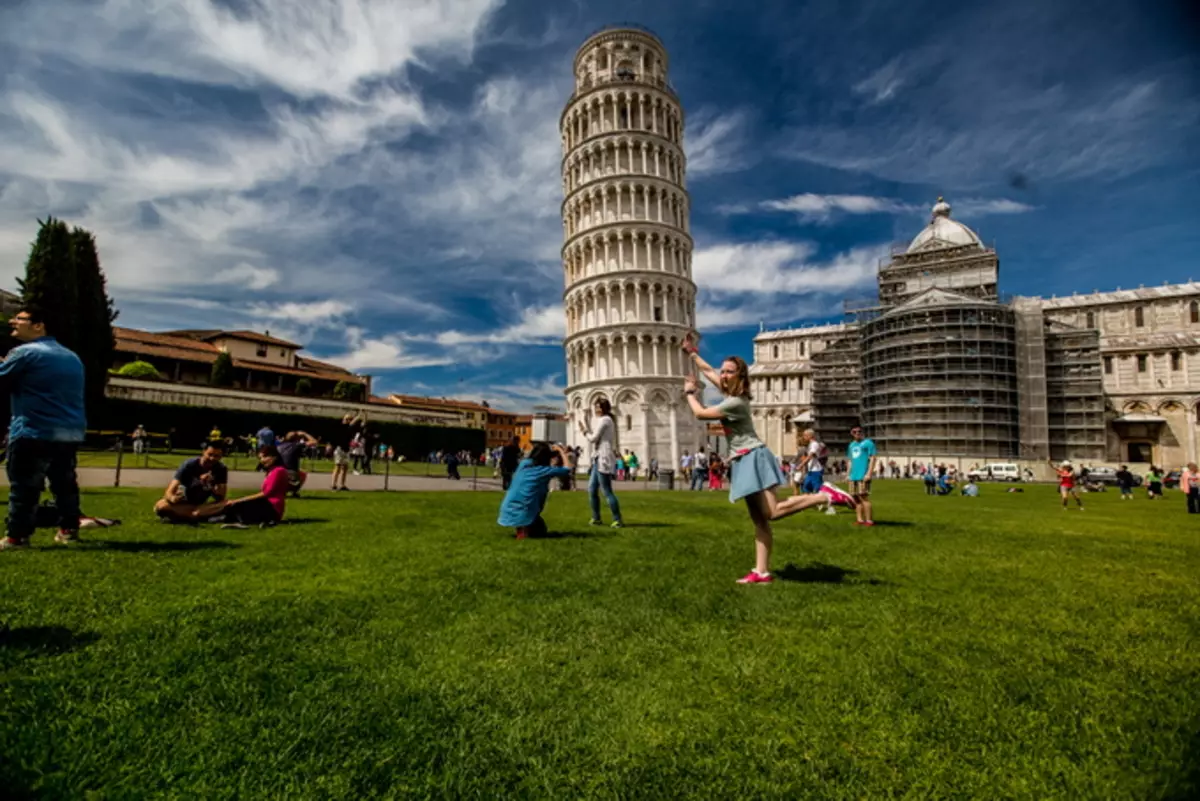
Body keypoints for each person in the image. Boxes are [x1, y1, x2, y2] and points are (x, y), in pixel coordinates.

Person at [683, 336, 832, 584]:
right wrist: (692, 353)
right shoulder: (730, 394)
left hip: (753, 456)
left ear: (740, 377)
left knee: (771, 512)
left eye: (729, 372)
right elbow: (709, 371)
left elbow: (700, 414)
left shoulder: (735, 402)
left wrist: (689, 393)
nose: (724, 375)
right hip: (742, 459)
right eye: (724, 371)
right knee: (760, 519)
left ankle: (824, 496)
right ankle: (761, 571)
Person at [0, 307, 87, 549]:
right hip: (69, 432)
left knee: (24, 486)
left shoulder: (24, 353)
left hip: (32, 430)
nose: (12, 321)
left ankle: (17, 536)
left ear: (39, 326)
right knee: (64, 485)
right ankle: (69, 530)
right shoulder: (73, 358)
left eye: (19, 318)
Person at [194, 445, 289, 528]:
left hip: (272, 508)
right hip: (266, 505)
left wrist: (240, 500)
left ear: (274, 457)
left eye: (265, 457)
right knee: (232, 505)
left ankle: (206, 516)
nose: (262, 460)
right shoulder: (271, 471)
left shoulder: (278, 471)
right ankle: (203, 515)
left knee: (237, 504)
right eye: (260, 458)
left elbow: (266, 493)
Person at [498, 443, 575, 539]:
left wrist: (553, 454)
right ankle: (523, 530)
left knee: (540, 530)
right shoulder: (543, 471)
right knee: (537, 531)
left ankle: (523, 527)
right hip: (524, 510)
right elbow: (567, 468)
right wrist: (561, 451)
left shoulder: (524, 465)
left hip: (507, 509)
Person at [154, 444, 229, 522]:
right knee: (161, 507)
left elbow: (220, 498)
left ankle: (189, 515)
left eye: (216, 456)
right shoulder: (189, 465)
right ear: (203, 452)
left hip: (200, 505)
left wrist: (209, 484)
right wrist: (173, 498)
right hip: (183, 503)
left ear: (221, 457)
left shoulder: (221, 469)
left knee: (226, 504)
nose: (212, 458)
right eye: (210, 454)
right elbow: (168, 492)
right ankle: (198, 515)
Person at [578, 399, 624, 527]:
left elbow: (593, 438)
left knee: (606, 490)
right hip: (598, 457)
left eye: (598, 407)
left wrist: (584, 431)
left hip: (603, 456)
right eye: (595, 407)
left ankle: (617, 519)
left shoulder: (605, 420)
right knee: (592, 489)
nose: (596, 410)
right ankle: (596, 517)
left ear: (604, 408)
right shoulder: (604, 420)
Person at [847, 426, 879, 525]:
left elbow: (873, 458)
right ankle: (860, 520)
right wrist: (848, 474)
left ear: (862, 432)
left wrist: (869, 473)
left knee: (864, 497)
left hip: (863, 475)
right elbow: (850, 461)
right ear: (852, 433)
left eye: (859, 431)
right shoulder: (851, 445)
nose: (857, 433)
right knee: (855, 497)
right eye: (854, 431)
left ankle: (869, 520)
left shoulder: (868, 443)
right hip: (853, 476)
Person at [276, 430, 318, 496]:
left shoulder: (278, 447)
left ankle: (281, 489)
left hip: (278, 475)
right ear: (297, 438)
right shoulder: (297, 445)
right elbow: (314, 442)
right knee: (303, 474)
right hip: (292, 478)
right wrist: (305, 434)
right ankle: (294, 491)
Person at [797, 429, 827, 495]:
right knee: (805, 487)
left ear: (810, 436)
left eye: (805, 435)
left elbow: (811, 456)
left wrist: (801, 464)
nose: (804, 437)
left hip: (816, 470)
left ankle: (822, 501)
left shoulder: (814, 444)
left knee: (818, 489)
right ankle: (808, 502)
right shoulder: (810, 445)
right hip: (811, 471)